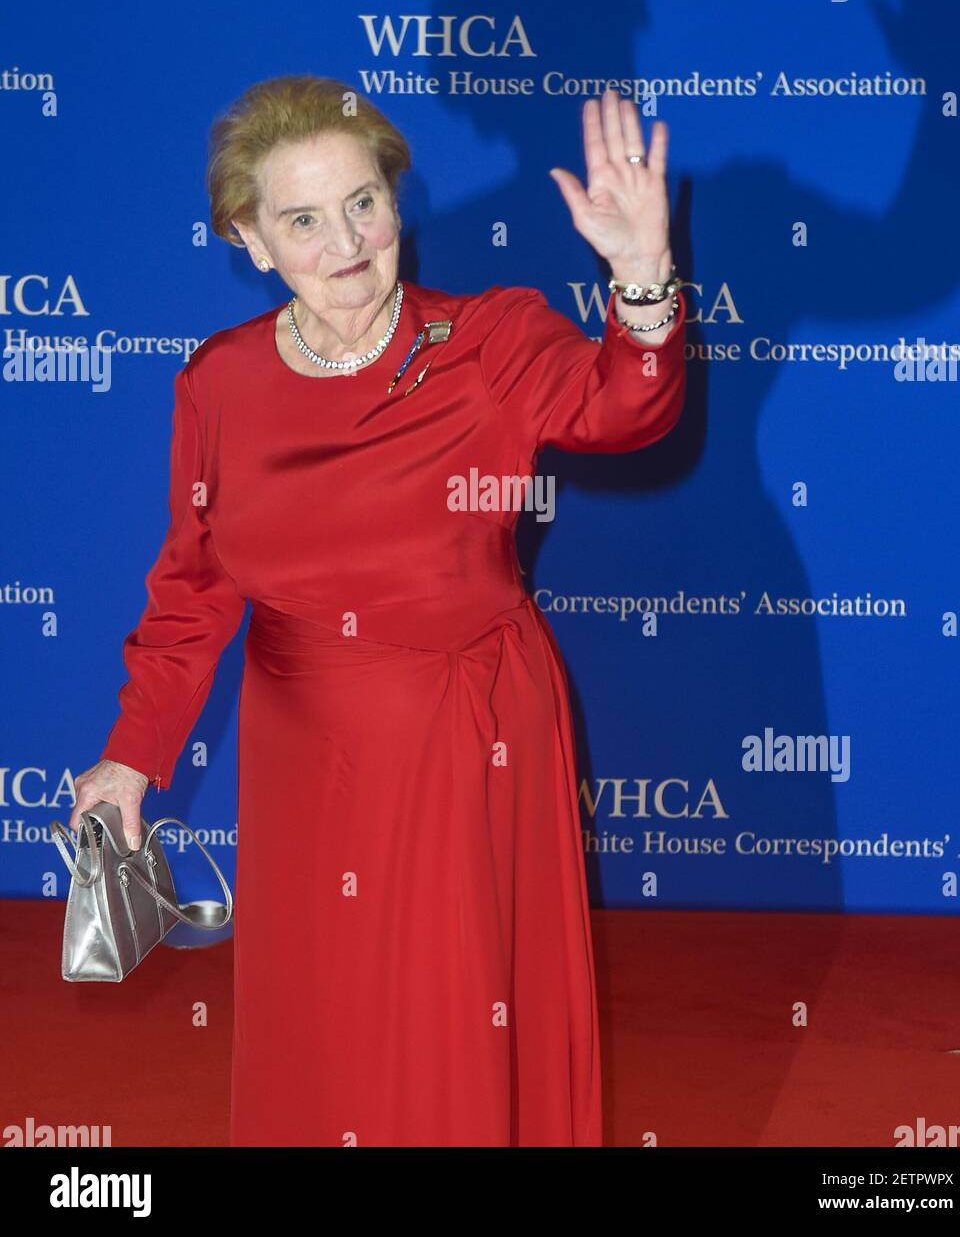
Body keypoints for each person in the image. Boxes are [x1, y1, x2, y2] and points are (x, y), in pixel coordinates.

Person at [70, 75, 686, 1147]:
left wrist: (640, 278)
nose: (344, 240)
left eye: (363, 202)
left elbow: (623, 409)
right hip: (303, 749)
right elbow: (194, 586)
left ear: (397, 200)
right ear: (250, 241)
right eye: (302, 219)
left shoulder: (488, 341)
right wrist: (131, 755)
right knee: (327, 1025)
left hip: (468, 736)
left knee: (452, 1024)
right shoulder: (220, 382)